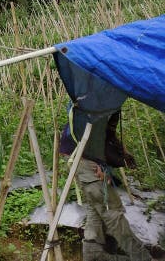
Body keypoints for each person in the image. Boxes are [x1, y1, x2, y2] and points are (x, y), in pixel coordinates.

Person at [59, 106, 155, 261]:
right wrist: (99, 163)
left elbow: (108, 133)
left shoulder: (108, 99)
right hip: (84, 155)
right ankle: (142, 257)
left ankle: (93, 253)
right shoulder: (102, 97)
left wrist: (121, 153)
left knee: (95, 204)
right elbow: (91, 129)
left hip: (83, 155)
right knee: (111, 210)